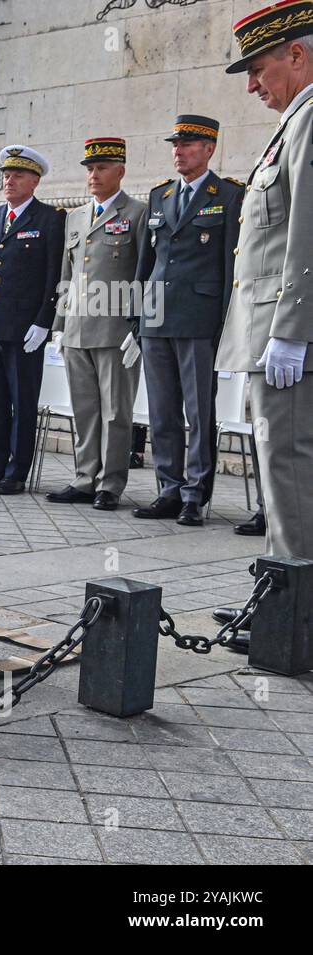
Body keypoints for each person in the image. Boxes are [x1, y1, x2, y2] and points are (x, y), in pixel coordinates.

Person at [213, 2, 313, 648]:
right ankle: (278, 600)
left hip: (287, 338)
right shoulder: (292, 125)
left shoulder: (310, 123)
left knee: (290, 476)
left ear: (297, 55)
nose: (252, 85)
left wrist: (292, 329)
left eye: (258, 68)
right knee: (279, 477)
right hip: (268, 336)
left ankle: (296, 623)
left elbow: (306, 232)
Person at [132, 115, 244, 526]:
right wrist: (135, 313)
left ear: (209, 148)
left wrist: (226, 322)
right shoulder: (160, 195)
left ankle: (195, 495)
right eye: (175, 144)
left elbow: (231, 264)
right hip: (156, 317)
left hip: (200, 318)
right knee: (162, 412)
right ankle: (168, 488)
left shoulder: (228, 195)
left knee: (199, 412)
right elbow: (146, 261)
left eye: (189, 144)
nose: (178, 151)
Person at [45, 137, 148, 510]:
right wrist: (59, 323)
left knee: (117, 412)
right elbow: (67, 275)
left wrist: (140, 326)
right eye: (89, 168)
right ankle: (85, 477)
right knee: (84, 409)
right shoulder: (74, 217)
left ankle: (110, 483)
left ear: (120, 170)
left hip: (116, 331)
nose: (93, 175)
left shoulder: (137, 214)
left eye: (101, 168)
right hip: (77, 329)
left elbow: (144, 274)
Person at [0, 145, 65, 496]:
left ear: (35, 180)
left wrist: (44, 320)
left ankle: (16, 471)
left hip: (25, 329)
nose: (9, 180)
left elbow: (54, 275)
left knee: (22, 401)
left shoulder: (50, 219)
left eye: (18, 175)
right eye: (6, 175)